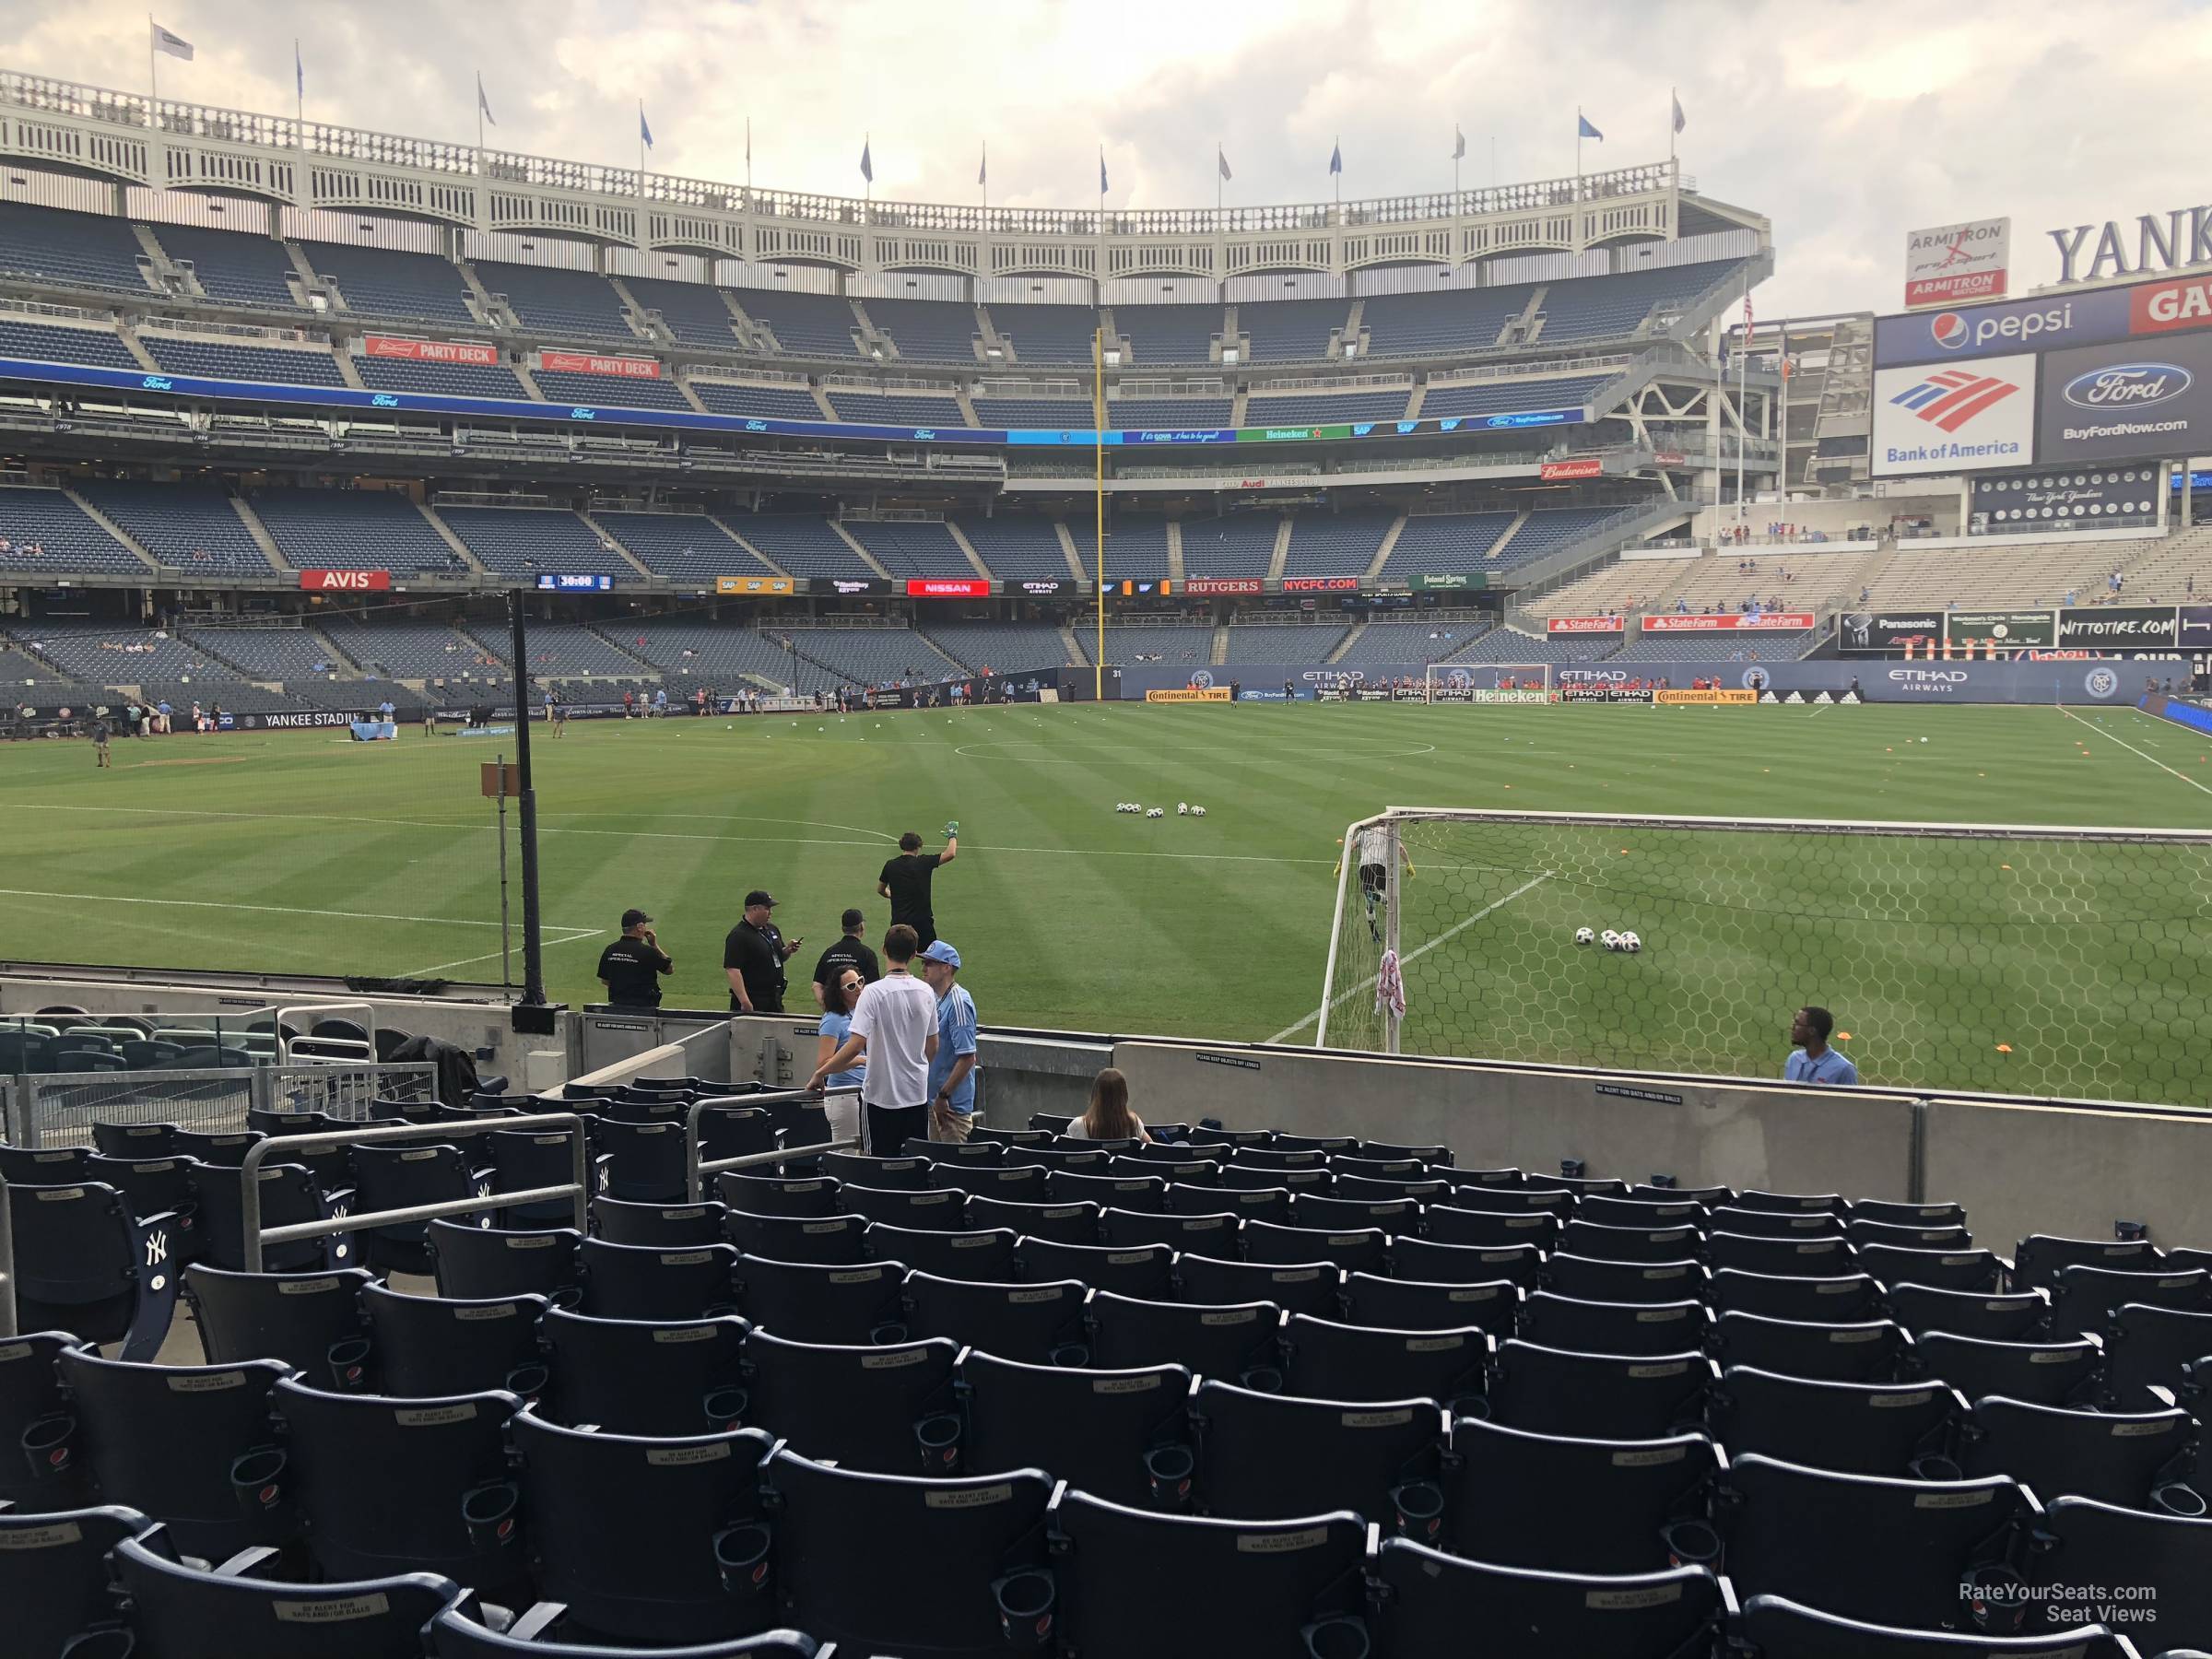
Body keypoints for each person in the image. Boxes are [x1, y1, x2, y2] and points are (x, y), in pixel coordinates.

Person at [809, 924, 938, 1155]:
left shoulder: (873, 992)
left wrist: (820, 1073)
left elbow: (856, 1045)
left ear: (884, 950)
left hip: (880, 1098)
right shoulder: (926, 991)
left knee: (878, 1164)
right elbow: (933, 1045)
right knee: (916, 1162)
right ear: (913, 954)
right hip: (916, 1095)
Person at [918, 940, 980, 1143]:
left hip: (951, 1108)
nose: (923, 968)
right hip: (935, 1103)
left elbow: (968, 1057)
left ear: (946, 968)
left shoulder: (958, 1003)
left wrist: (944, 1096)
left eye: (930, 963)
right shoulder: (937, 999)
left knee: (954, 1167)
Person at [878, 824, 959, 949]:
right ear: (918, 847)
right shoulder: (924, 862)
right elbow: (951, 853)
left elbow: (880, 889)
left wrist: (891, 895)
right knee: (930, 955)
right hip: (922, 921)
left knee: (898, 954)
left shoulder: (890, 865)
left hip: (899, 922)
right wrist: (952, 835)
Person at [814, 966, 868, 1143]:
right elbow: (824, 1063)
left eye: (860, 981)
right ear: (839, 993)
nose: (859, 988)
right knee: (848, 1152)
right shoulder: (833, 1019)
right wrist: (861, 1060)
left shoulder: (859, 1012)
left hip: (863, 1093)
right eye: (851, 986)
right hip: (844, 1096)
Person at [724, 889, 801, 1015]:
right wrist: (744, 1001)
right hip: (754, 998)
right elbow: (733, 970)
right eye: (767, 908)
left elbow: (778, 956)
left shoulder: (771, 929)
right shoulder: (738, 936)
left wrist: (788, 950)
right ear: (755, 909)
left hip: (774, 997)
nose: (771, 912)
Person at [595, 909, 672, 1008]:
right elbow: (669, 970)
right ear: (639, 927)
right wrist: (654, 945)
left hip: (617, 1008)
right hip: (645, 1010)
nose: (646, 927)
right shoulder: (648, 951)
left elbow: (605, 981)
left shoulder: (610, 949)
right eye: (644, 924)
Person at [811, 908, 881, 1008]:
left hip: (833, 1014)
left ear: (843, 928)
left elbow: (816, 986)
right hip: (857, 1015)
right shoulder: (868, 954)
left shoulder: (829, 953)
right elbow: (872, 989)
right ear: (861, 927)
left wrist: (827, 1006)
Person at [1063, 1067, 1151, 1144]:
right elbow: (1153, 1149)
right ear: (1124, 1095)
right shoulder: (1133, 1124)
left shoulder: (1078, 1126)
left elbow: (1060, 1151)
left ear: (1095, 1094)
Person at [1784, 1006, 1859, 1087]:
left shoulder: (1844, 1069)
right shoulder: (1794, 1059)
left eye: (1797, 1023)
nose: (1792, 1027)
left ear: (1812, 1031)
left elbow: (1850, 1099)